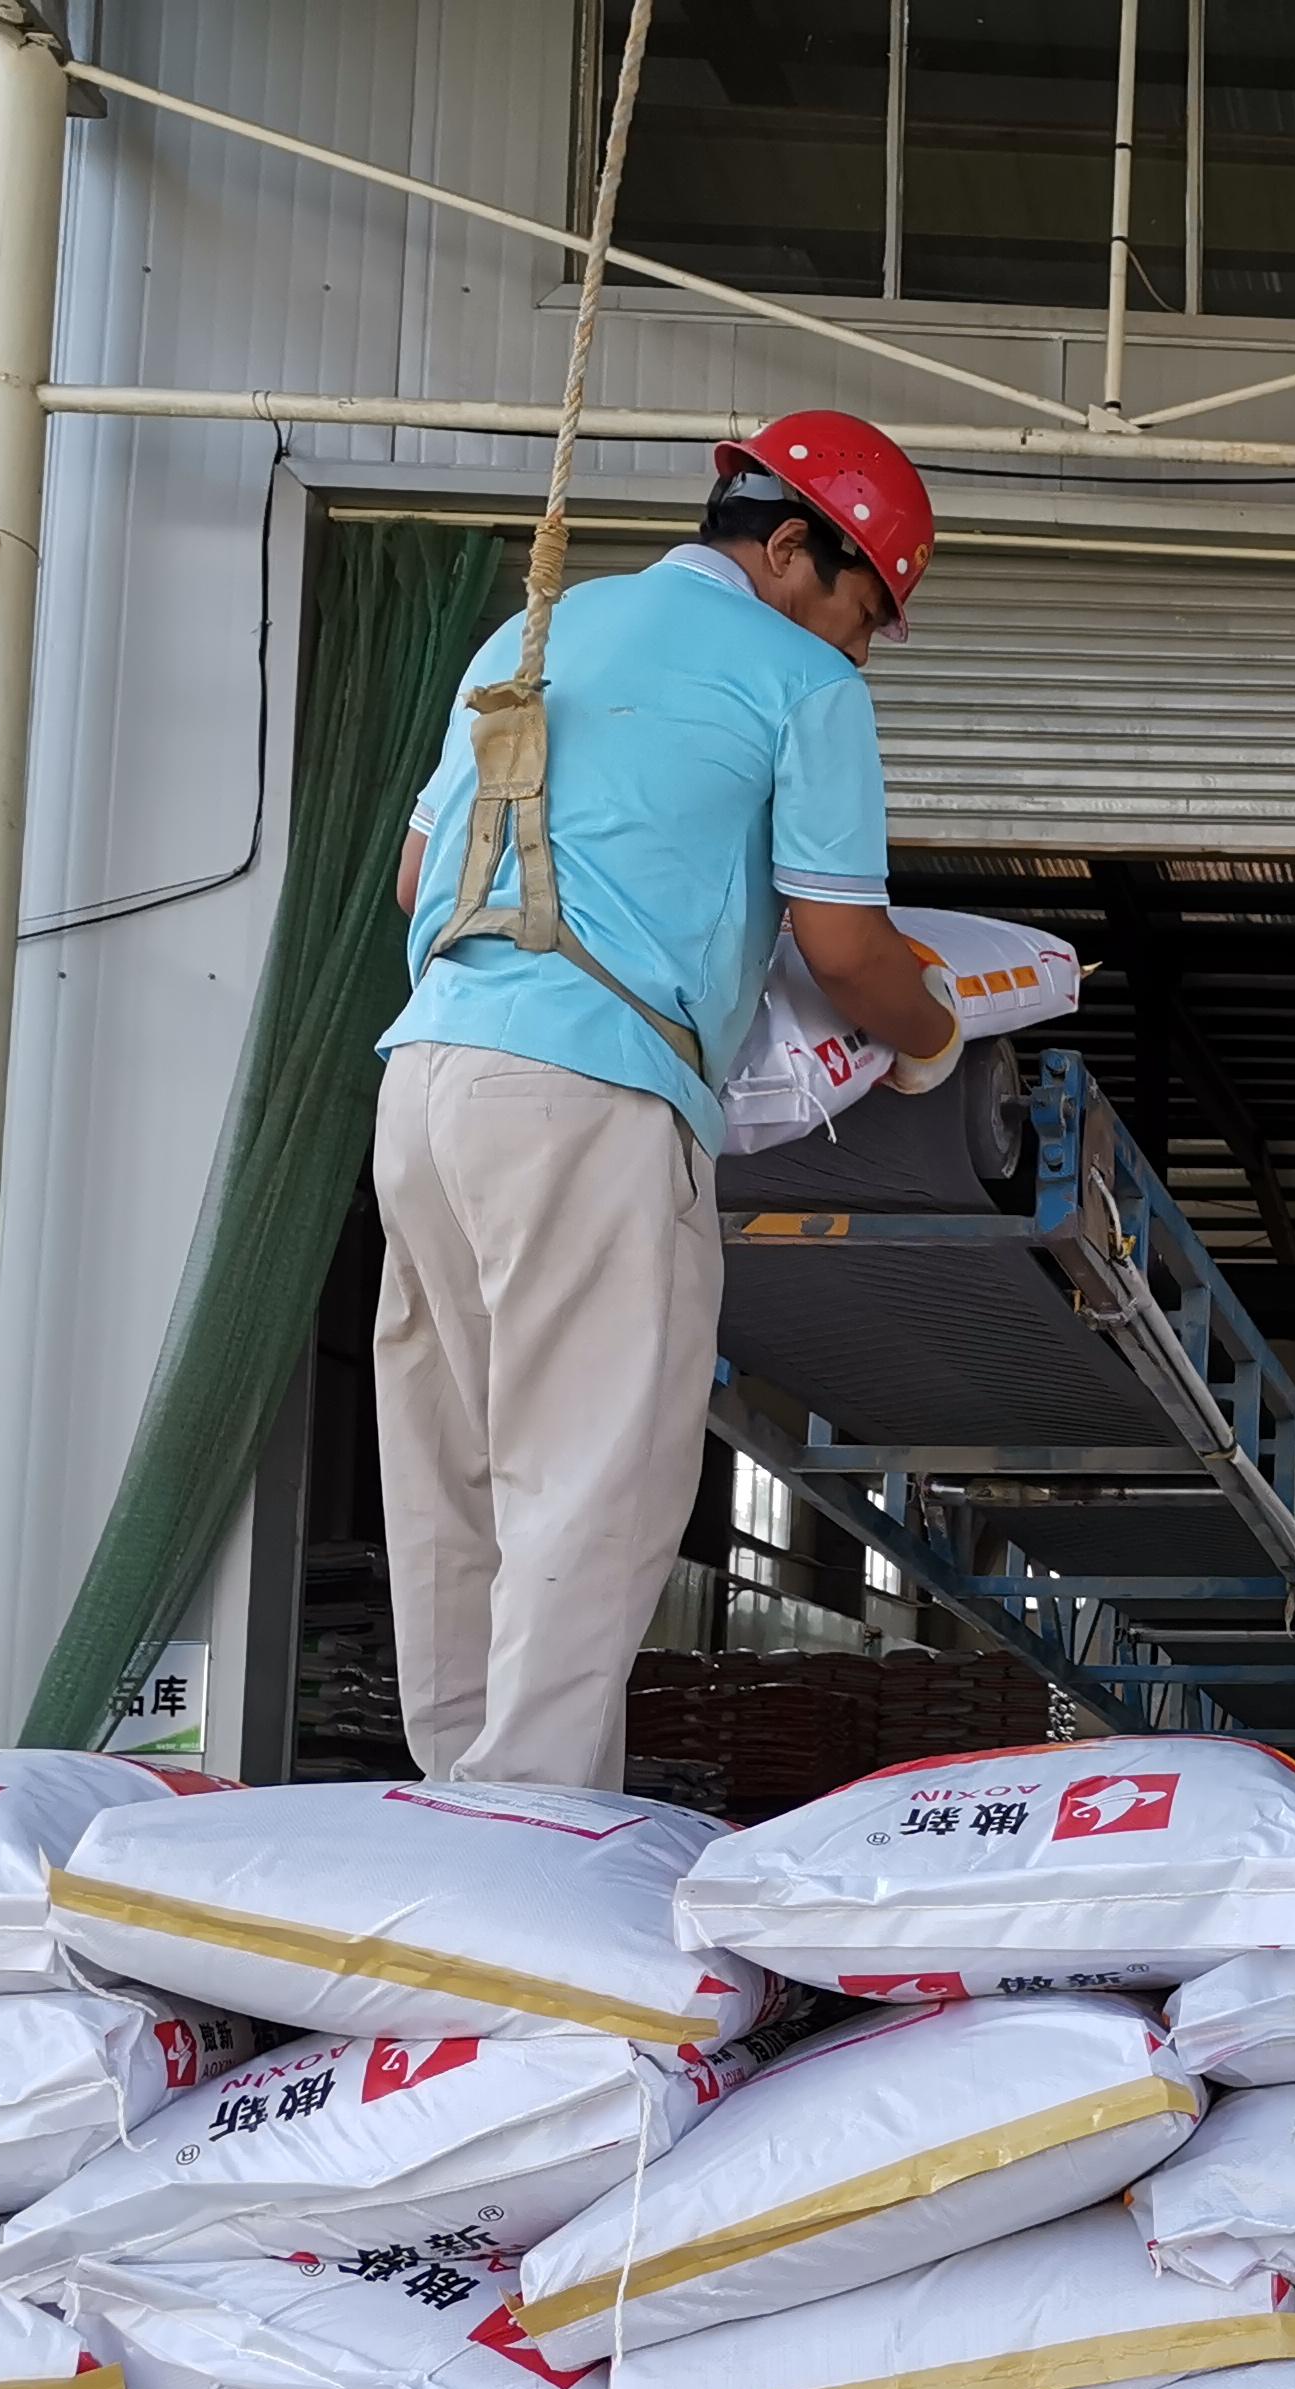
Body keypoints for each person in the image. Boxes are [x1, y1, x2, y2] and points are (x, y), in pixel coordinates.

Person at [378, 412, 957, 1791]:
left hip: (429, 1080)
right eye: (863, 614)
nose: (860, 650)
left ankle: (449, 1796)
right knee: (592, 1476)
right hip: (593, 1097)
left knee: (453, 1468)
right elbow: (845, 950)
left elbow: (413, 881)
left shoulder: (536, 630)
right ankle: (526, 1826)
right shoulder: (804, 686)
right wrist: (931, 1038)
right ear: (793, 547)